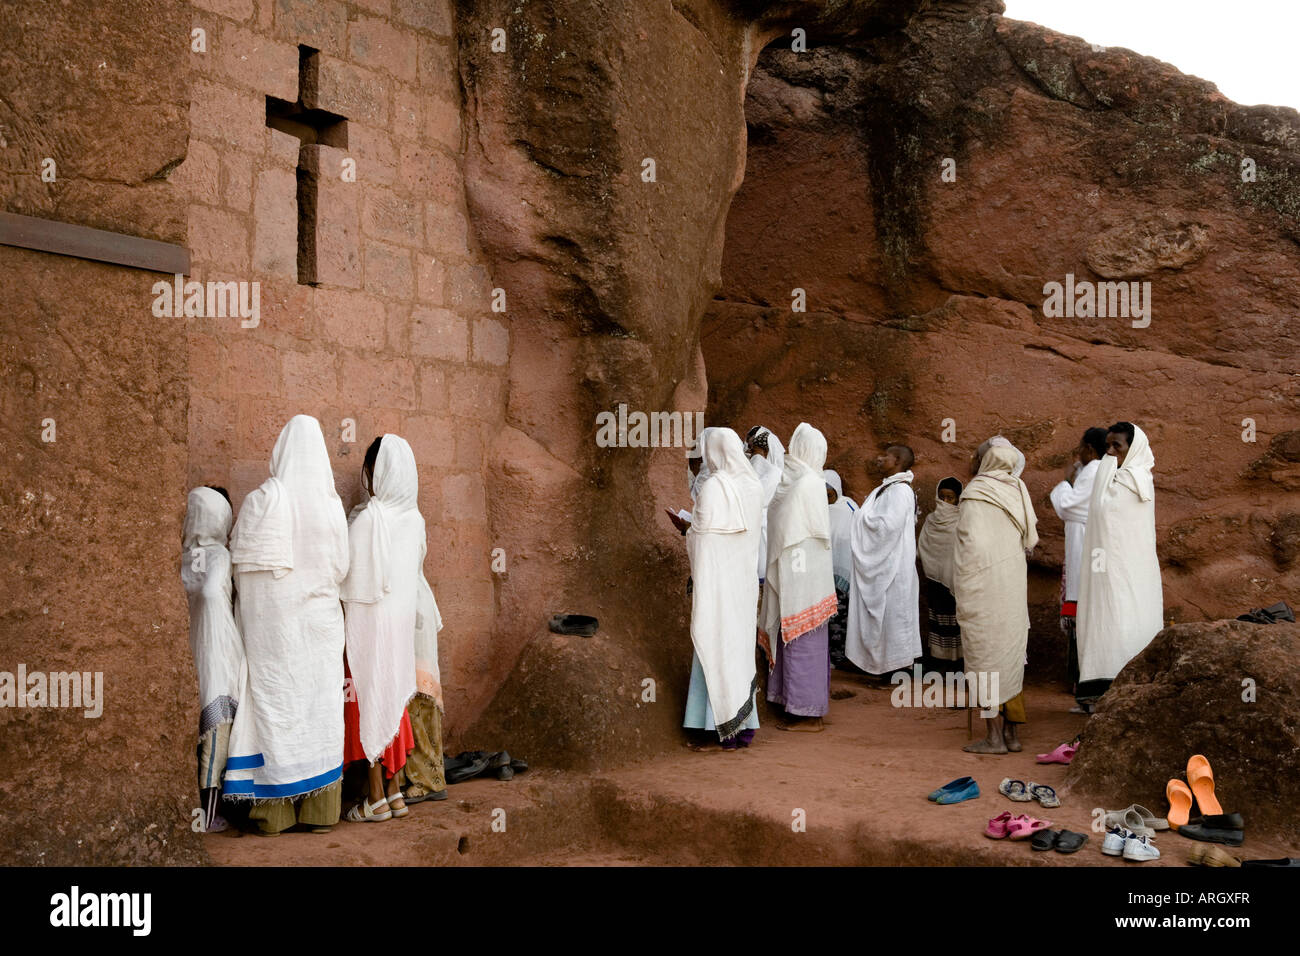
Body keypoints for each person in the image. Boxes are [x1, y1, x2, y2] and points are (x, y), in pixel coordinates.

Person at [223, 415, 350, 834]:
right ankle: (320, 812)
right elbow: (341, 569)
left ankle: (274, 813)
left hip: (276, 632)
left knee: (275, 705)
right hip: (322, 628)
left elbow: (244, 570)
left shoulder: (265, 498)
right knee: (320, 711)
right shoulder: (332, 506)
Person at [341, 436, 423, 822]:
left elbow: (344, 571)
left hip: (370, 628)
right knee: (394, 700)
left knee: (369, 701)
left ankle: (374, 796)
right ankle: (396, 792)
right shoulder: (415, 520)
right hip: (400, 631)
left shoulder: (372, 517)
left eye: (371, 472)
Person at [953, 439, 1038, 754]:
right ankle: (1012, 737)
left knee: (985, 656)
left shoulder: (975, 493)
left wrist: (960, 578)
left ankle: (993, 738)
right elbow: (1030, 538)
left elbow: (970, 544)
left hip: (984, 589)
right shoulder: (1018, 490)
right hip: (1013, 586)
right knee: (1011, 655)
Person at [683, 428, 764, 749]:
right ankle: (743, 727)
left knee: (713, 644)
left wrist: (687, 531)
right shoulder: (753, 485)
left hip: (717, 585)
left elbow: (702, 538)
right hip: (743, 585)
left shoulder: (715, 486)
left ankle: (710, 728)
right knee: (738, 651)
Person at [1076, 422, 1163, 708]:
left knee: (1128, 618)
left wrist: (1103, 472)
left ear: (1133, 448)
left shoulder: (1135, 481)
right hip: (1105, 570)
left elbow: (1107, 511)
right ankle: (1101, 687)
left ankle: (1127, 687)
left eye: (1118, 446)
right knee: (1107, 617)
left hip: (1130, 570)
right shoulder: (1115, 476)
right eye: (1107, 447)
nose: (1111, 453)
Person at [759, 422, 837, 731]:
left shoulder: (805, 482)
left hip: (805, 575)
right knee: (793, 639)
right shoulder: (803, 481)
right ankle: (789, 701)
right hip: (796, 570)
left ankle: (809, 714)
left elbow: (797, 529)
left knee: (803, 641)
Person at [181, 485, 245, 833]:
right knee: (217, 735)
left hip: (192, 653)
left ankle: (197, 811)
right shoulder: (220, 556)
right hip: (218, 652)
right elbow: (213, 592)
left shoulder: (183, 558)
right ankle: (207, 814)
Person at [845, 446, 921, 677]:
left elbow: (888, 527)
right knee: (888, 617)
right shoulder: (889, 488)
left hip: (894, 568)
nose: (879, 457)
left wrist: (859, 517)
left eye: (885, 455)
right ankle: (880, 665)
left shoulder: (899, 492)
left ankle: (894, 668)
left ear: (897, 460)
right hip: (888, 564)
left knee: (894, 617)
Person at [1048, 427, 1107, 704]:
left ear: (1090, 450)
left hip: (1084, 550)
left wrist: (1065, 482)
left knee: (1083, 624)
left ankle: (1086, 692)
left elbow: (1069, 507)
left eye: (1080, 447)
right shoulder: (1099, 469)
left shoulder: (1094, 469)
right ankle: (1083, 690)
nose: (1078, 453)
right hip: (1086, 548)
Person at [917, 476, 964, 666]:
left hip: (956, 581)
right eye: (942, 497)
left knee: (956, 622)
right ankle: (939, 662)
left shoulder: (963, 520)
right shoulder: (931, 520)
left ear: (958, 499)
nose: (945, 502)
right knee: (938, 620)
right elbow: (923, 548)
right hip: (935, 581)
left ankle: (957, 663)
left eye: (950, 498)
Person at [824, 469, 857, 670]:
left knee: (842, 618)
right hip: (822, 574)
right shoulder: (817, 509)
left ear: (837, 490)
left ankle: (841, 658)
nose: (826, 499)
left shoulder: (850, 508)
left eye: (829, 494)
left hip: (844, 574)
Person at [746, 425, 786, 583]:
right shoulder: (752, 474)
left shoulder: (776, 476)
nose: (753, 457)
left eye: (756, 452)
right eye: (750, 451)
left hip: (768, 537)